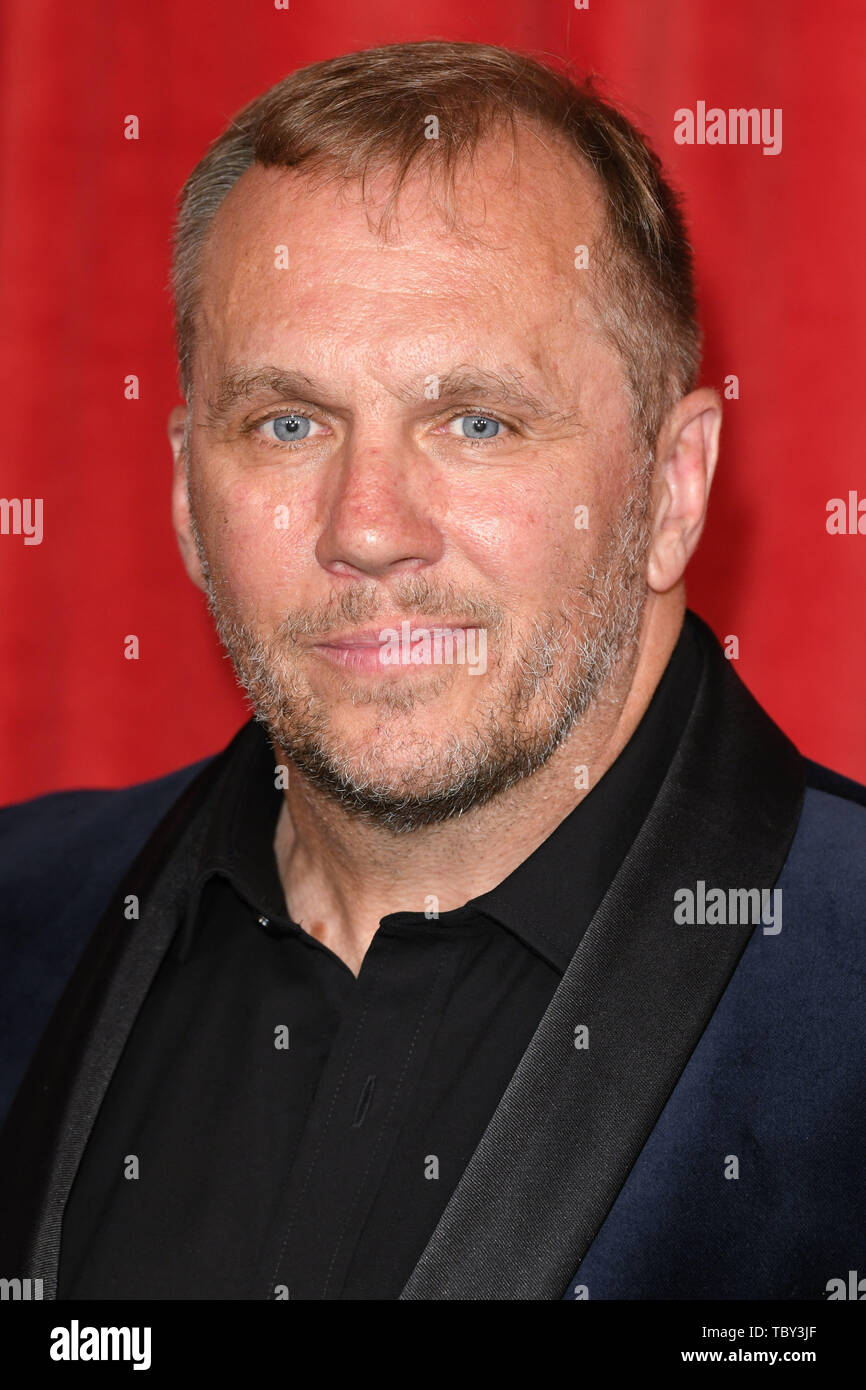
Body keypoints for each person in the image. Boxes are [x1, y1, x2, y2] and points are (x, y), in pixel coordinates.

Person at [1, 40, 864, 1302]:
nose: (366, 525)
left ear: (672, 488)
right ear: (188, 491)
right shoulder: (25, 915)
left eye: (476, 422)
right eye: (287, 424)